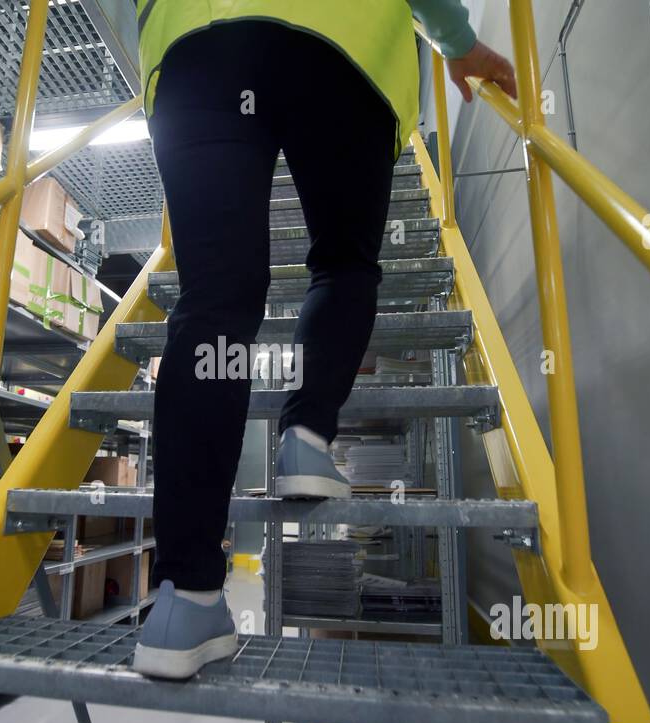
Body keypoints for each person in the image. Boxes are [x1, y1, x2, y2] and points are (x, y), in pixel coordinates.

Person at [131, 0, 518, 679]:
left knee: (213, 301)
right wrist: (456, 42)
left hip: (196, 45)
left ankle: (184, 601)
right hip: (345, 43)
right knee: (343, 264)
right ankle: (307, 435)